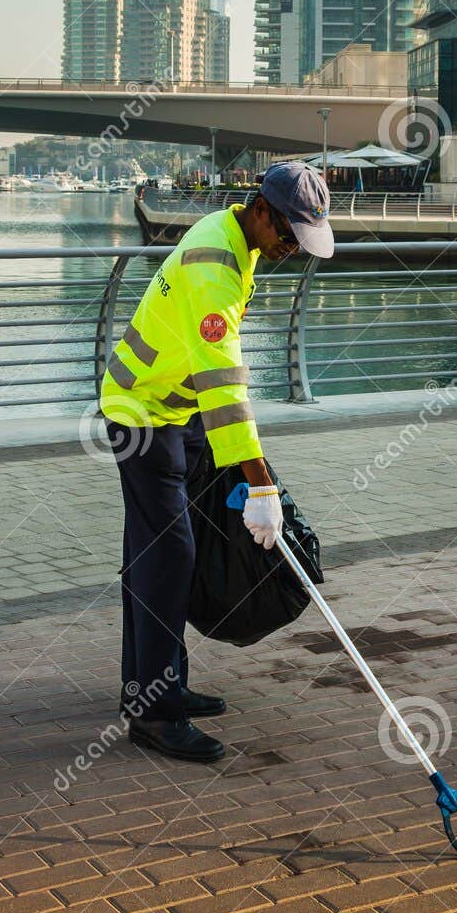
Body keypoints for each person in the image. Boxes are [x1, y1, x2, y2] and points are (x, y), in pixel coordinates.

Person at [99, 160, 335, 763]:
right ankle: (153, 712)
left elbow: (215, 386)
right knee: (170, 553)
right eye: (289, 236)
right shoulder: (215, 267)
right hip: (143, 413)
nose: (291, 250)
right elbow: (226, 387)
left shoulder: (238, 238)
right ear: (262, 210)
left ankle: (155, 684)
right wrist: (260, 488)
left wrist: (251, 474)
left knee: (157, 553)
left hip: (179, 410)